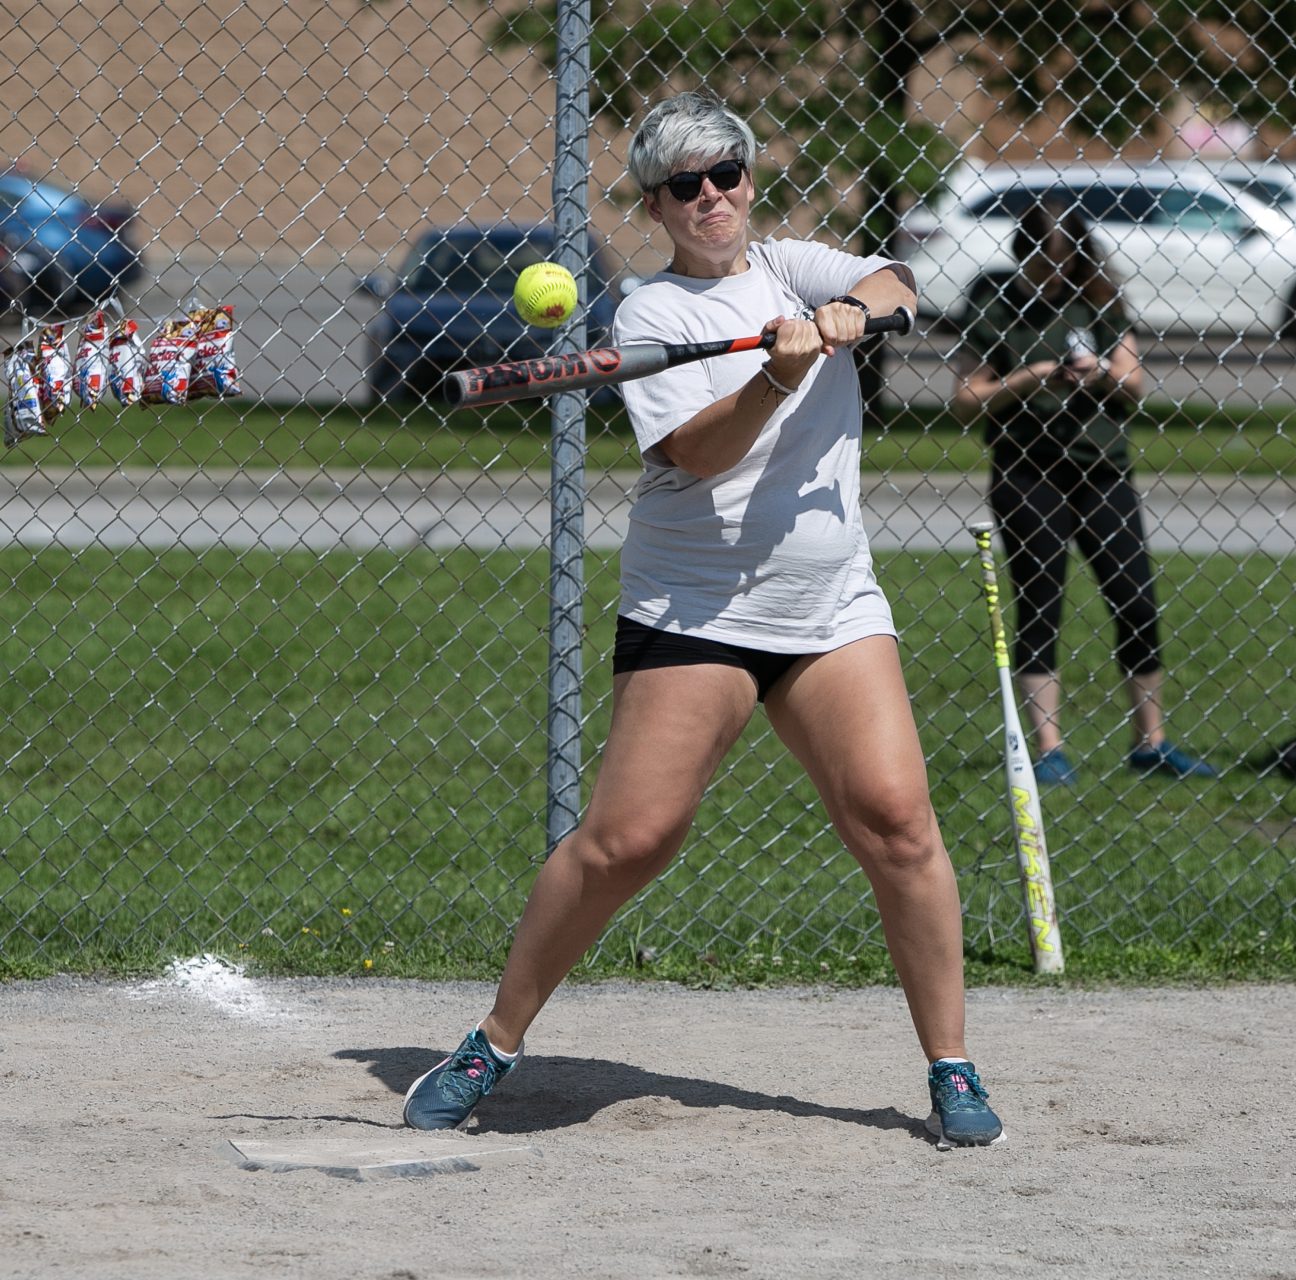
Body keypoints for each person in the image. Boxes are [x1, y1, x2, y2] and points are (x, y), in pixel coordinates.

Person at [402, 92, 1003, 1147]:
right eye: (685, 184)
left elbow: (894, 279)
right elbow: (699, 452)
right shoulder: (650, 315)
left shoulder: (791, 265)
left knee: (898, 822)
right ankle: (492, 1040)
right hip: (698, 606)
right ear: (658, 203)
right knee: (631, 837)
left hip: (829, 606)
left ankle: (951, 1066)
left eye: (725, 173)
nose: (711, 196)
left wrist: (857, 313)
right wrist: (778, 371)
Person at [951, 197, 1216, 786]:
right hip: (1028, 472)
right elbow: (966, 399)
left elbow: (1136, 384)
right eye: (1041, 266)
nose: (1050, 277)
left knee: (1137, 599)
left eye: (1062, 265)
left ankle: (1151, 742)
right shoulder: (995, 303)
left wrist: (1101, 375)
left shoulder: (1100, 300)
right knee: (1041, 603)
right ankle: (1049, 749)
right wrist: (1031, 378)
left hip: (1102, 470)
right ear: (1023, 257)